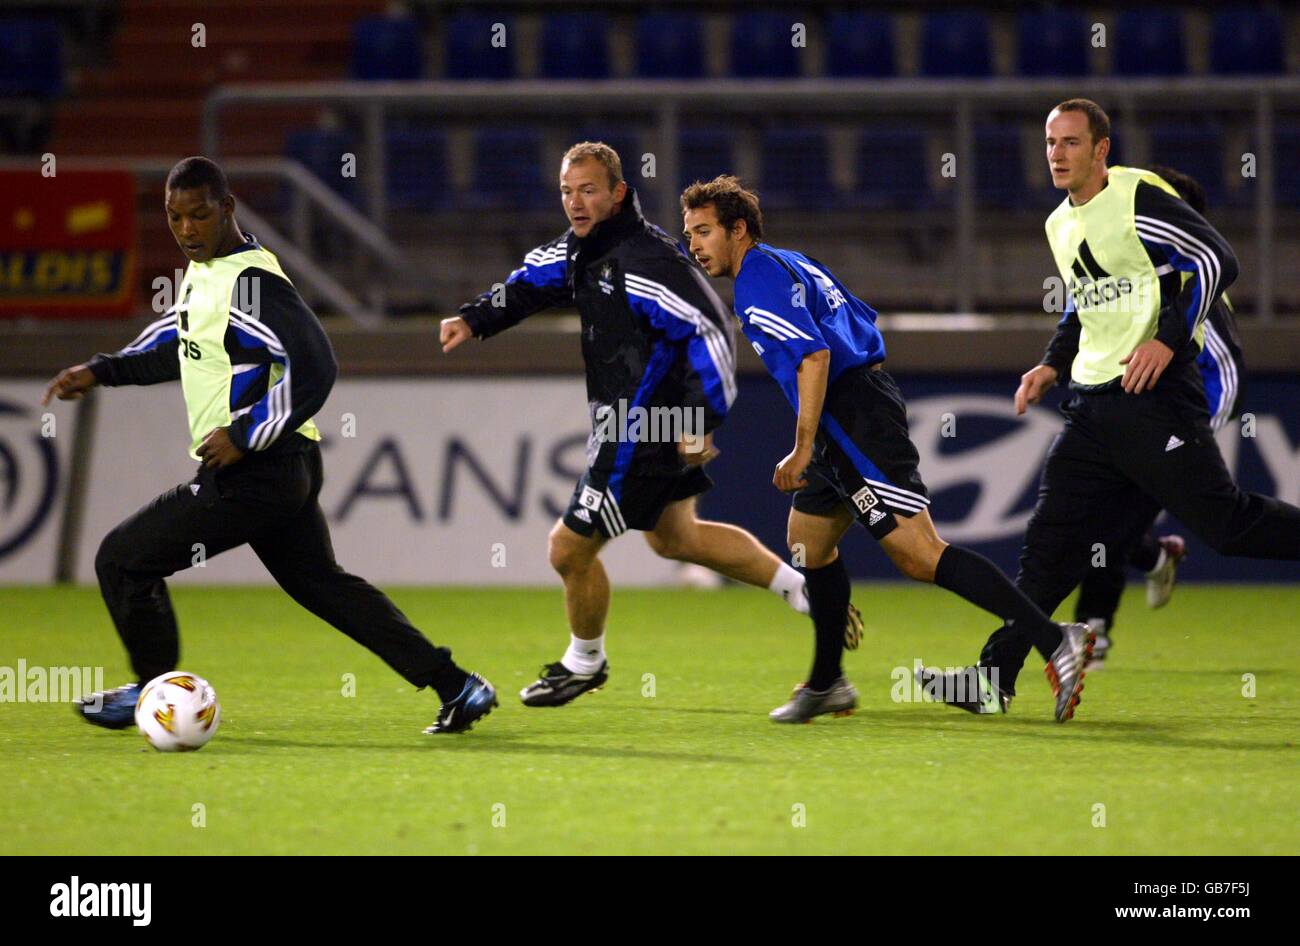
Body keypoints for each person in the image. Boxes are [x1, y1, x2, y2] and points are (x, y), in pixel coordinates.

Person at [44, 156, 496, 736]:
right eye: (175, 217)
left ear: (228, 208)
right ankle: (456, 686)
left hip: (256, 472)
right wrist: (101, 370)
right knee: (324, 587)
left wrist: (245, 433)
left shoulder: (252, 282)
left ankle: (154, 691)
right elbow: (176, 344)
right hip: (285, 468)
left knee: (122, 559)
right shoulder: (209, 274)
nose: (186, 229)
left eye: (199, 215)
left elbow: (317, 363)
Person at [442, 142, 861, 709]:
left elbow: (712, 331)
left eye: (588, 191)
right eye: (567, 192)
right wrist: (473, 318)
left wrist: (698, 418)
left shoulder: (646, 260)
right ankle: (804, 591)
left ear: (617, 193)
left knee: (567, 549)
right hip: (640, 420)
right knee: (675, 538)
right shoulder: (582, 249)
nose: (575, 202)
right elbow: (528, 282)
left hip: (642, 428)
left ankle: (584, 663)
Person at [926, 99, 1300, 714]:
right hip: (1093, 407)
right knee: (1047, 550)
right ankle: (992, 678)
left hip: (1156, 400)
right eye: (1051, 143)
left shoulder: (1135, 198)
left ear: (1101, 149)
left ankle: (1064, 636)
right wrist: (1051, 363)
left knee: (1226, 525)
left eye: (1071, 142)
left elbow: (1217, 259)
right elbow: (1085, 303)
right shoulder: (1059, 223)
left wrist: (1168, 339)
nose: (1057, 154)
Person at [681, 175, 1094, 724]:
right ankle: (827, 683)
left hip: (851, 415)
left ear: (738, 230)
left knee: (919, 553)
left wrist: (803, 445)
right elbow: (861, 319)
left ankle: (1054, 640)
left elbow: (815, 358)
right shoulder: (791, 262)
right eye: (689, 234)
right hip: (852, 408)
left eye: (704, 231)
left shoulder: (757, 280)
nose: (694, 245)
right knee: (807, 543)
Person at [1073, 164, 1246, 668]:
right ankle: (1148, 564)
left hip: (1174, 423)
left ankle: (1094, 628)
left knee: (1112, 521)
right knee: (1092, 518)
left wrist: (1189, 435)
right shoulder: (1139, 279)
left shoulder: (1200, 290)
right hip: (1129, 416)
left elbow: (1226, 368)